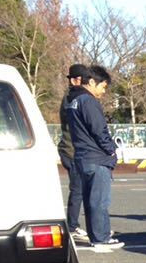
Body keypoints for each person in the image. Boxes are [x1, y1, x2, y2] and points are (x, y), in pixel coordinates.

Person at [67, 65, 122, 251]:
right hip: (96, 157)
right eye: (103, 86)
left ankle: (95, 236)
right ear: (91, 82)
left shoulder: (73, 101)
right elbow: (99, 129)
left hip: (82, 156)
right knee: (99, 200)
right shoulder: (88, 101)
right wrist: (111, 150)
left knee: (91, 200)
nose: (103, 91)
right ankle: (101, 238)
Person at [58, 63, 89, 243]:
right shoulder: (73, 98)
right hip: (73, 150)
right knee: (77, 189)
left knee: (80, 189)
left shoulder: (71, 97)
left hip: (71, 149)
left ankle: (74, 224)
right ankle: (72, 226)